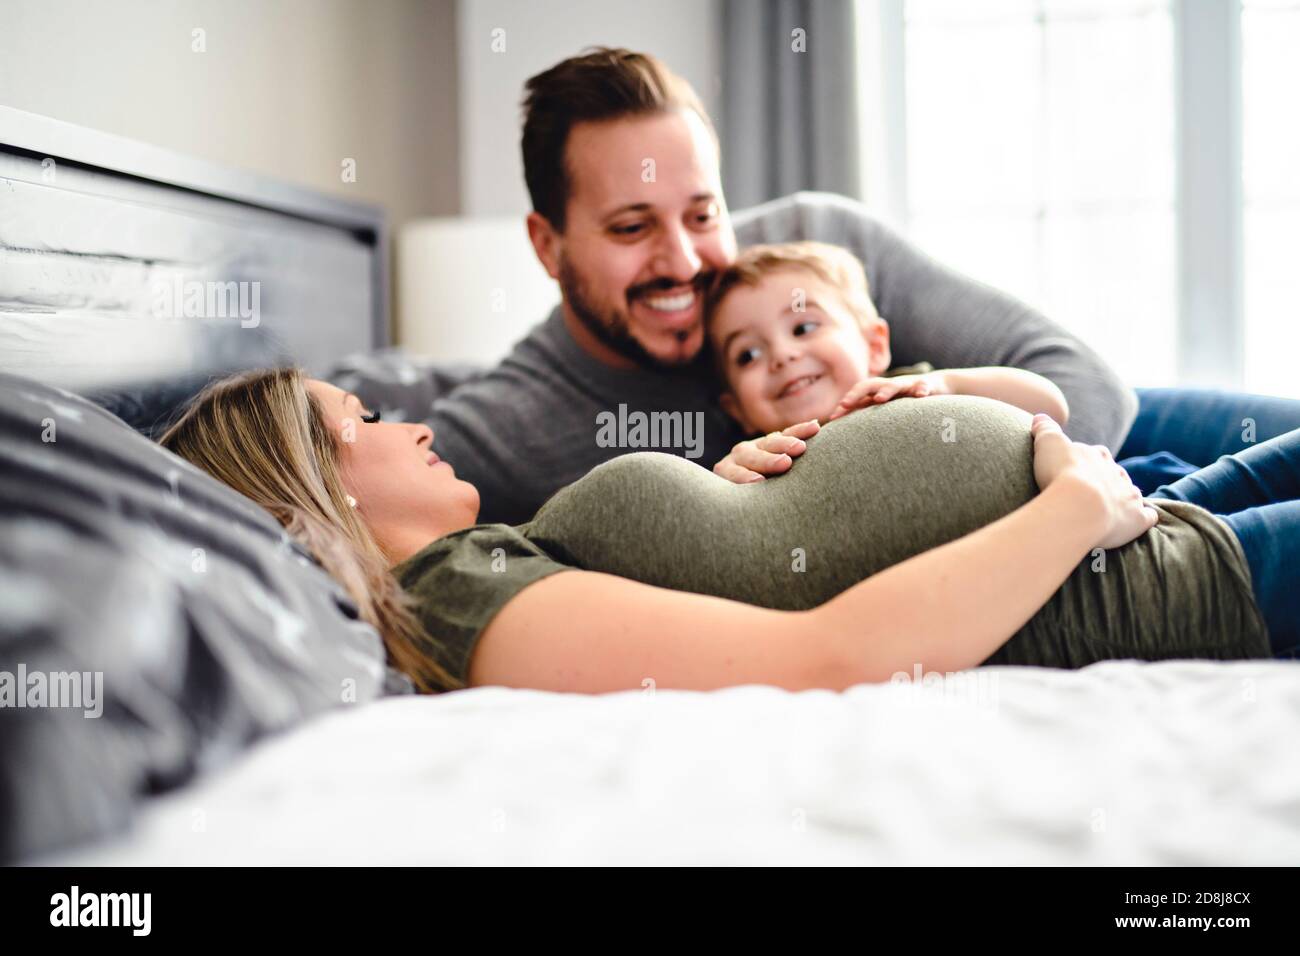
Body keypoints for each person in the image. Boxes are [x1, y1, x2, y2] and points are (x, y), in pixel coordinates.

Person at [158, 367, 1297, 698]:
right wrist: (1071, 507)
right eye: (360, 419)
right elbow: (827, 657)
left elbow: (733, 585)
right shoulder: (454, 602)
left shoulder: (489, 560)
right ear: (314, 488)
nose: (407, 423)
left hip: (1147, 518)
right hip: (1146, 576)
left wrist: (724, 489)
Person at [394, 47, 1138, 526]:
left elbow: (1088, 388)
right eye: (631, 228)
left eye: (703, 213)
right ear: (546, 245)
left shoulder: (821, 242)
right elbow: (338, 480)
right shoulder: (512, 429)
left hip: (1086, 447)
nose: (684, 260)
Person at [702, 240, 1068, 459]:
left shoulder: (913, 391)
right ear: (736, 409)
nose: (782, 355)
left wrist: (951, 386)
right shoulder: (756, 460)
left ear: (874, 345)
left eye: (803, 327)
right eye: (748, 355)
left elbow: (1052, 407)